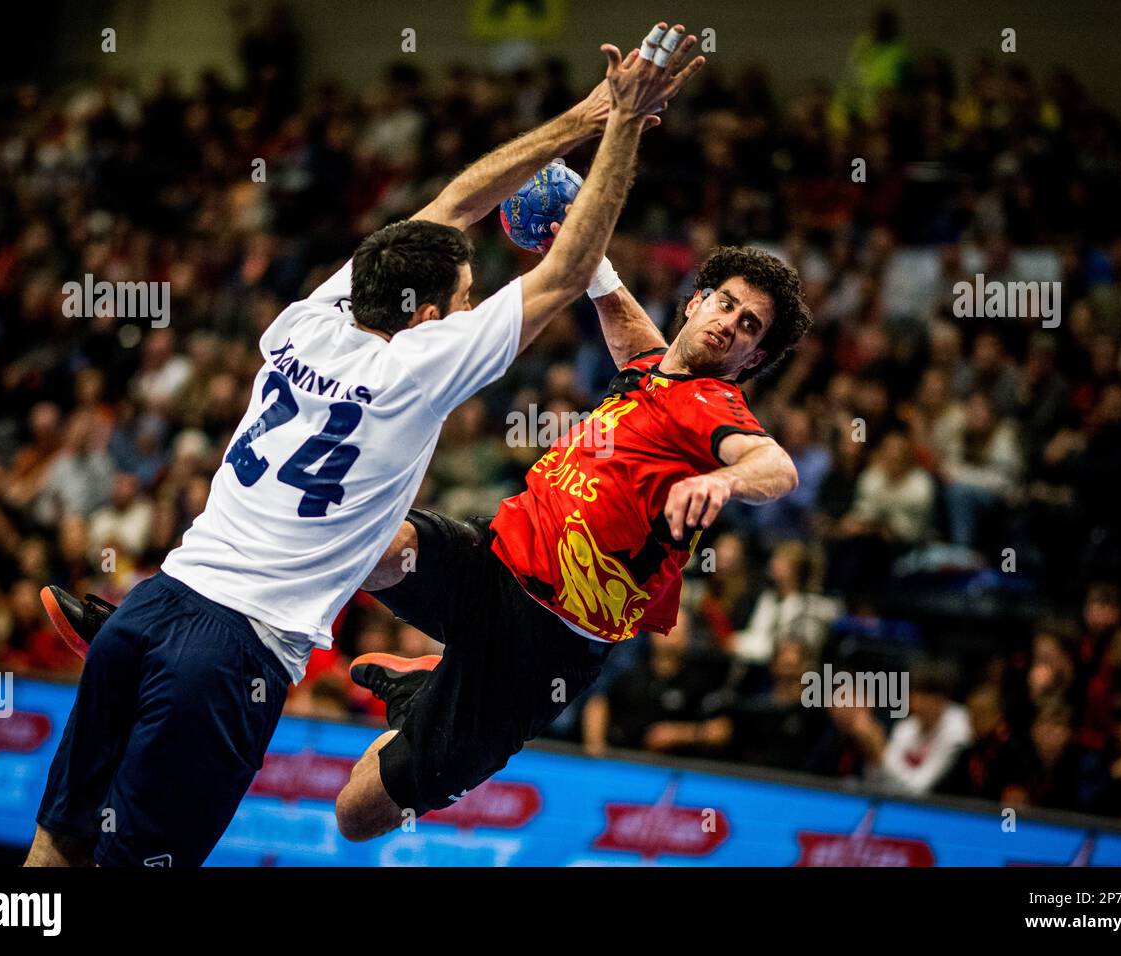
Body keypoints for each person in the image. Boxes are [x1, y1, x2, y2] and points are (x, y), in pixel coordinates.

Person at [27, 21, 705, 866]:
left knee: (58, 839)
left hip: (156, 607)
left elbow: (449, 208)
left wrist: (588, 111)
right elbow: (567, 272)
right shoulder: (419, 368)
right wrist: (626, 123)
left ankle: (444, 669)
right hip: (227, 654)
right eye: (465, 298)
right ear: (428, 317)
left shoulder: (304, 321)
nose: (470, 310)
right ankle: (454, 678)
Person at [335, 163, 811, 834]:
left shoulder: (711, 404)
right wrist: (592, 263)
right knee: (365, 540)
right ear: (695, 301)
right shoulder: (652, 373)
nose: (731, 323)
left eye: (750, 326)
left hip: (542, 652)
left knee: (356, 813)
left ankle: (432, 694)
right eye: (725, 303)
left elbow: (776, 466)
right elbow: (635, 339)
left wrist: (724, 480)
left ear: (753, 359)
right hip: (494, 563)